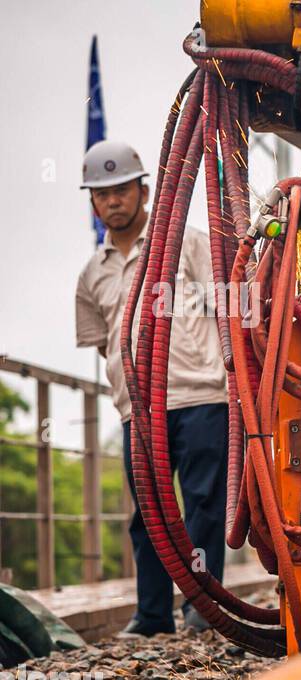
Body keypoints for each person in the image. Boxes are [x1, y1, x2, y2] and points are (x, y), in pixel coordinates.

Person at [74, 140, 228, 636]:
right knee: (148, 514)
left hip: (201, 396)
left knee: (203, 507)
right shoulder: (91, 275)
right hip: (137, 410)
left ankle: (203, 611)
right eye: (103, 194)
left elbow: (227, 308)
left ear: (144, 192)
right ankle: (153, 615)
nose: (113, 201)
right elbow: (103, 345)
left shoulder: (188, 244)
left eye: (122, 190)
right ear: (93, 203)